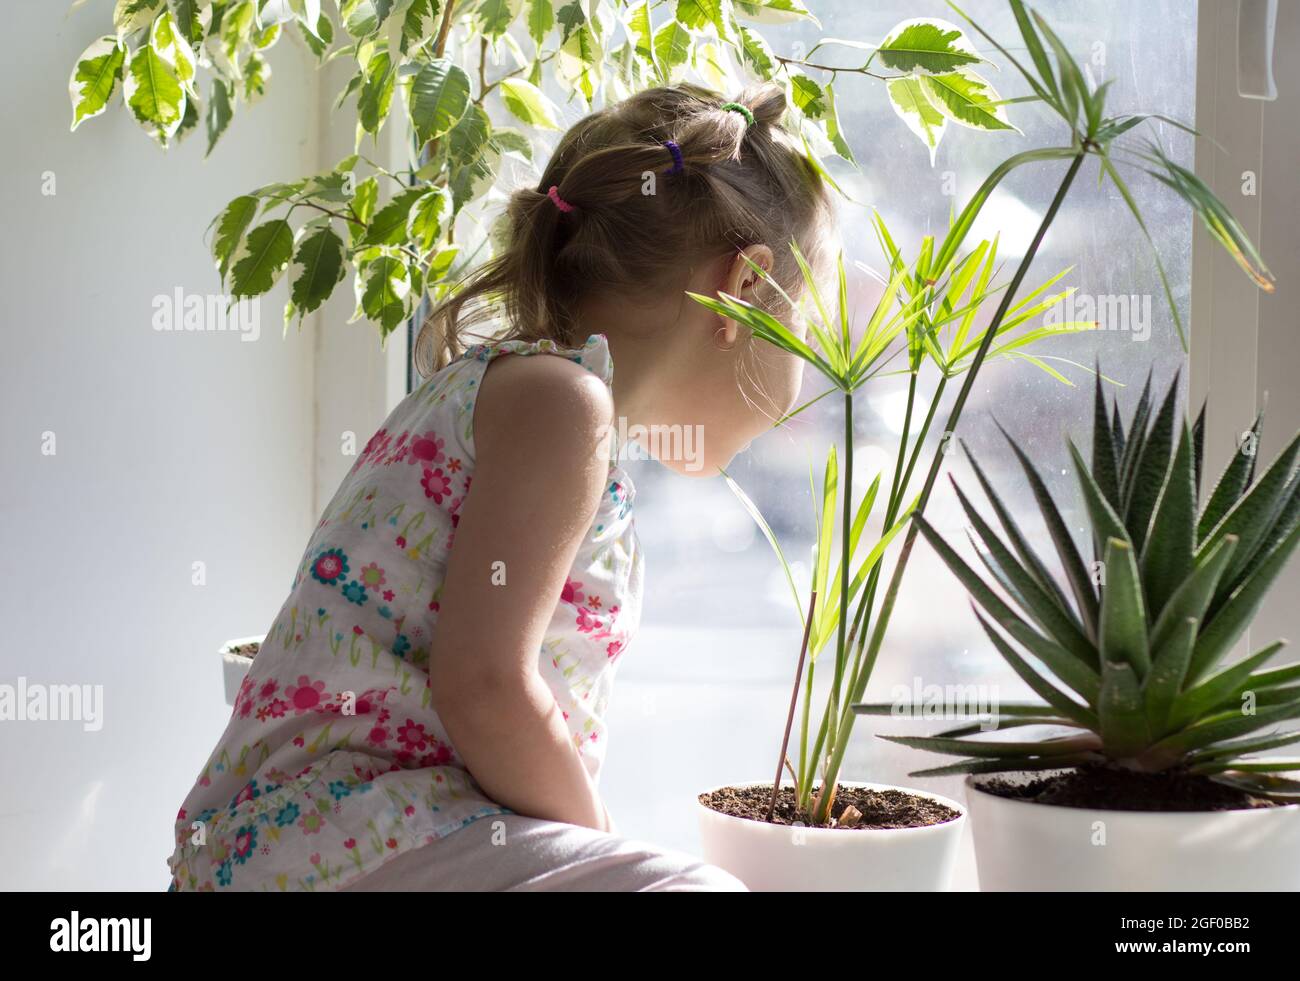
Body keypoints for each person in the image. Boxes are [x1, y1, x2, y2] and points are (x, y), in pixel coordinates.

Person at [167, 82, 836, 892]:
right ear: (745, 289)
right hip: (343, 837)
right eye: (808, 315)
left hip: (333, 840)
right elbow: (485, 686)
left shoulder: (516, 393)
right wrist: (599, 841)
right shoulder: (564, 407)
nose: (811, 357)